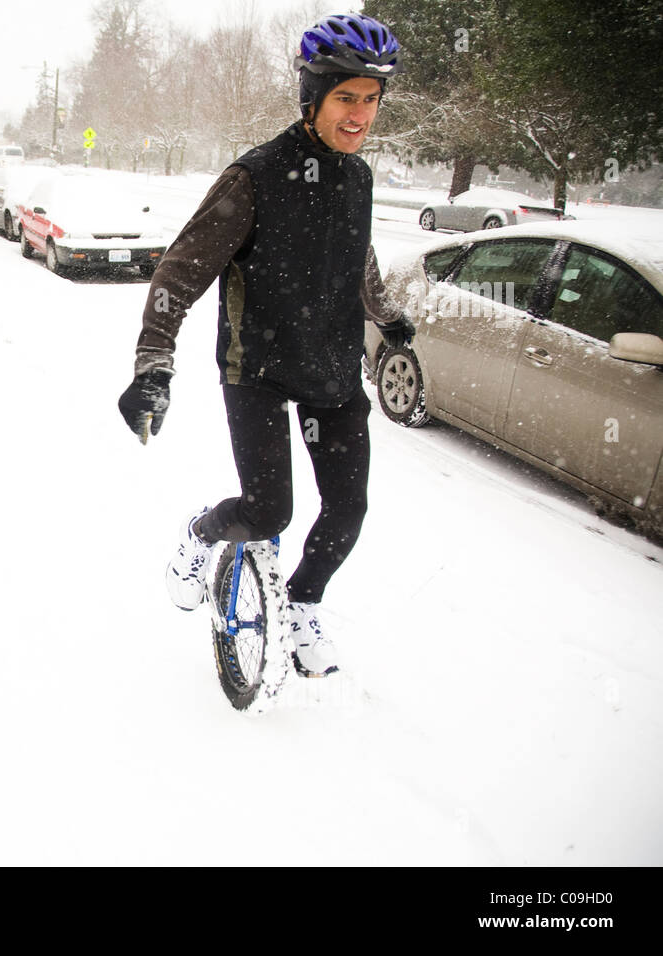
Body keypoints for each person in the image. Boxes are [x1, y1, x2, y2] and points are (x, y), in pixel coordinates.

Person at [117, 12, 415, 678]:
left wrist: (385, 316)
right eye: (347, 97)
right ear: (313, 97)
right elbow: (179, 271)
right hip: (258, 370)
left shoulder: (359, 179)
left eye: (371, 99)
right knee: (268, 509)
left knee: (347, 508)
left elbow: (355, 257)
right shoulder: (254, 178)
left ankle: (304, 601)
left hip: (333, 371)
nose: (360, 114)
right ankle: (201, 532)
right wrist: (152, 366)